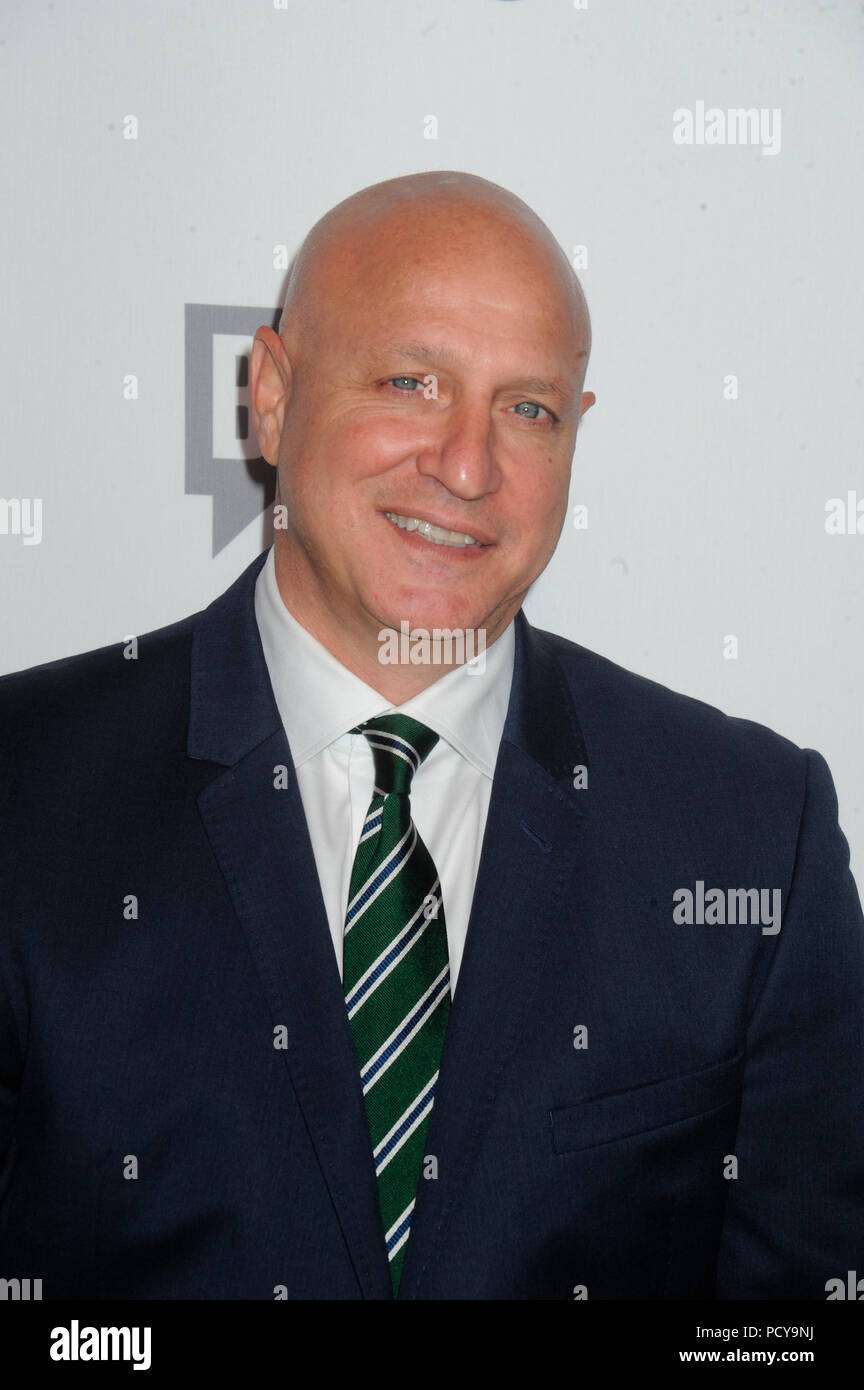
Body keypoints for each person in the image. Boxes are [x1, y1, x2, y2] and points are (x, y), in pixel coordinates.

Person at [0, 171, 861, 1301]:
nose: (467, 465)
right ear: (270, 393)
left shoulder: (750, 831)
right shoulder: (26, 791)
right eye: (412, 381)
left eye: (529, 408)